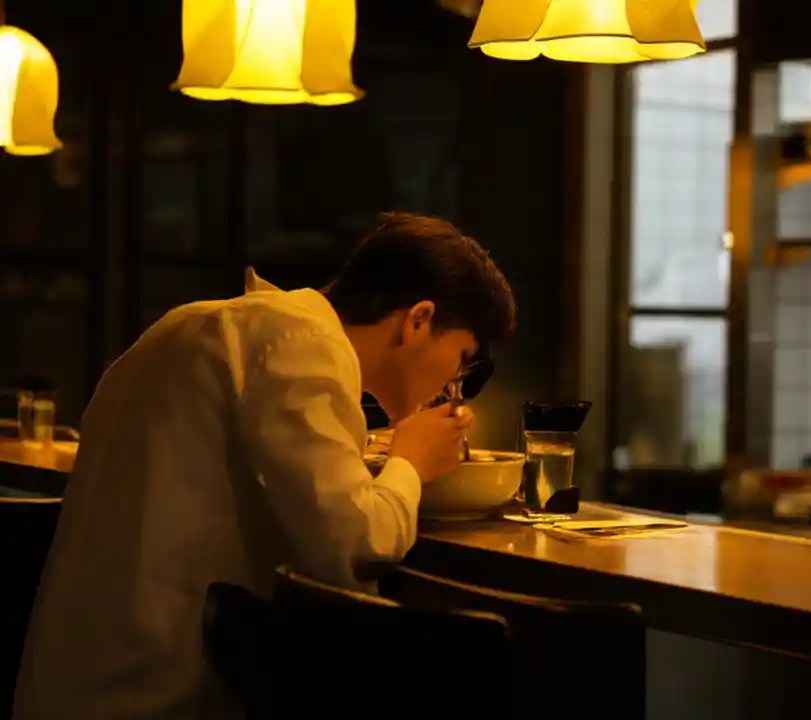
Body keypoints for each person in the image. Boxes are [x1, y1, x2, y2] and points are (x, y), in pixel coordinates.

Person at [14, 213, 516, 719]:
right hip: (154, 691)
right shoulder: (301, 344)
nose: (453, 384)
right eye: (461, 359)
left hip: (75, 676)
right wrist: (409, 460)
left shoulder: (212, 322)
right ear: (418, 320)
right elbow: (353, 550)